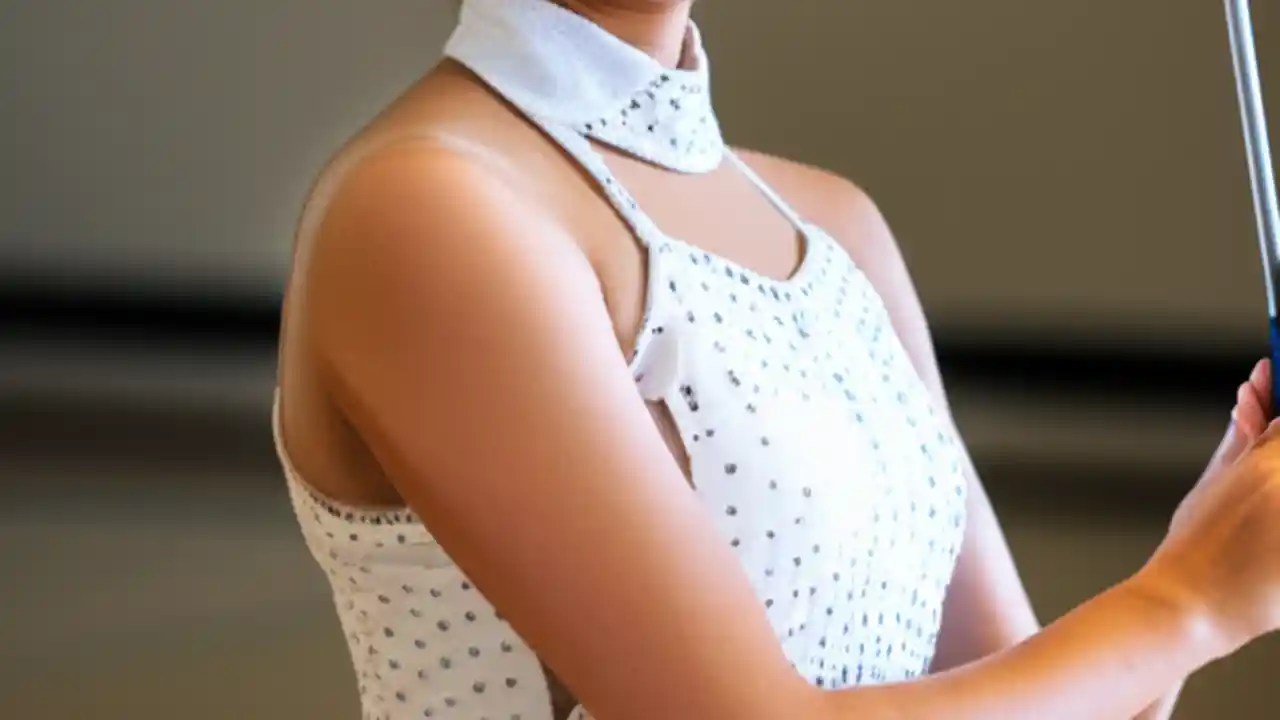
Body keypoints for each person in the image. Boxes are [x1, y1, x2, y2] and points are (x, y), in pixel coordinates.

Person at [270, 1, 1280, 718]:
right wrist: (1183, 600)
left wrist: (1214, 537)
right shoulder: (428, 211)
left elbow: (1045, 696)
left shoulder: (834, 229)